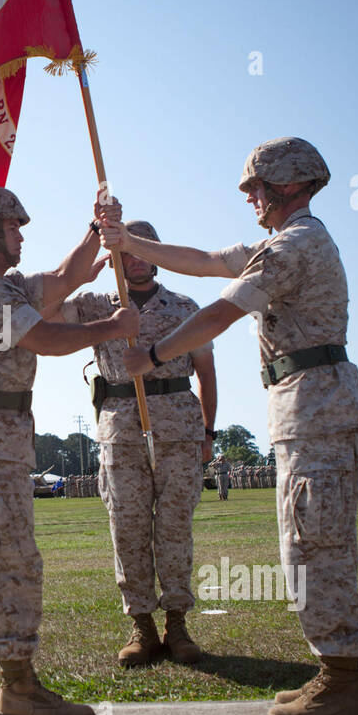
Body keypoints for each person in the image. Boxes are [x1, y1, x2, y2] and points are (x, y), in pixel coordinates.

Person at [100, 137, 358, 715]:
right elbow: (202, 260)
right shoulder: (281, 243)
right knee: (307, 541)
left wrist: (154, 352)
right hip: (306, 404)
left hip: (318, 405)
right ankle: (335, 669)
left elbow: (221, 311)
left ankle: (344, 679)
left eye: (256, 186)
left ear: (290, 185)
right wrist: (127, 243)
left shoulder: (295, 245)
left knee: (316, 543)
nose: (249, 196)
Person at [0, 185, 138, 715]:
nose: (20, 234)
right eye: (12, 227)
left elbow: (68, 277)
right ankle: (20, 689)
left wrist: (98, 230)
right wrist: (112, 328)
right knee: (10, 559)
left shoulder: (2, 287)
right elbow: (46, 337)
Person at [54, 220, 217, 667]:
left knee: (174, 526)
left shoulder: (185, 307)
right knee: (127, 527)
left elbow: (205, 373)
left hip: (178, 430)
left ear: (158, 255)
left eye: (146, 251)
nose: (138, 260)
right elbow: (43, 313)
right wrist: (83, 271)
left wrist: (207, 433)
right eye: (128, 253)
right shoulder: (92, 306)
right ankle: (141, 626)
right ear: (116, 259)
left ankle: (177, 624)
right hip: (121, 431)